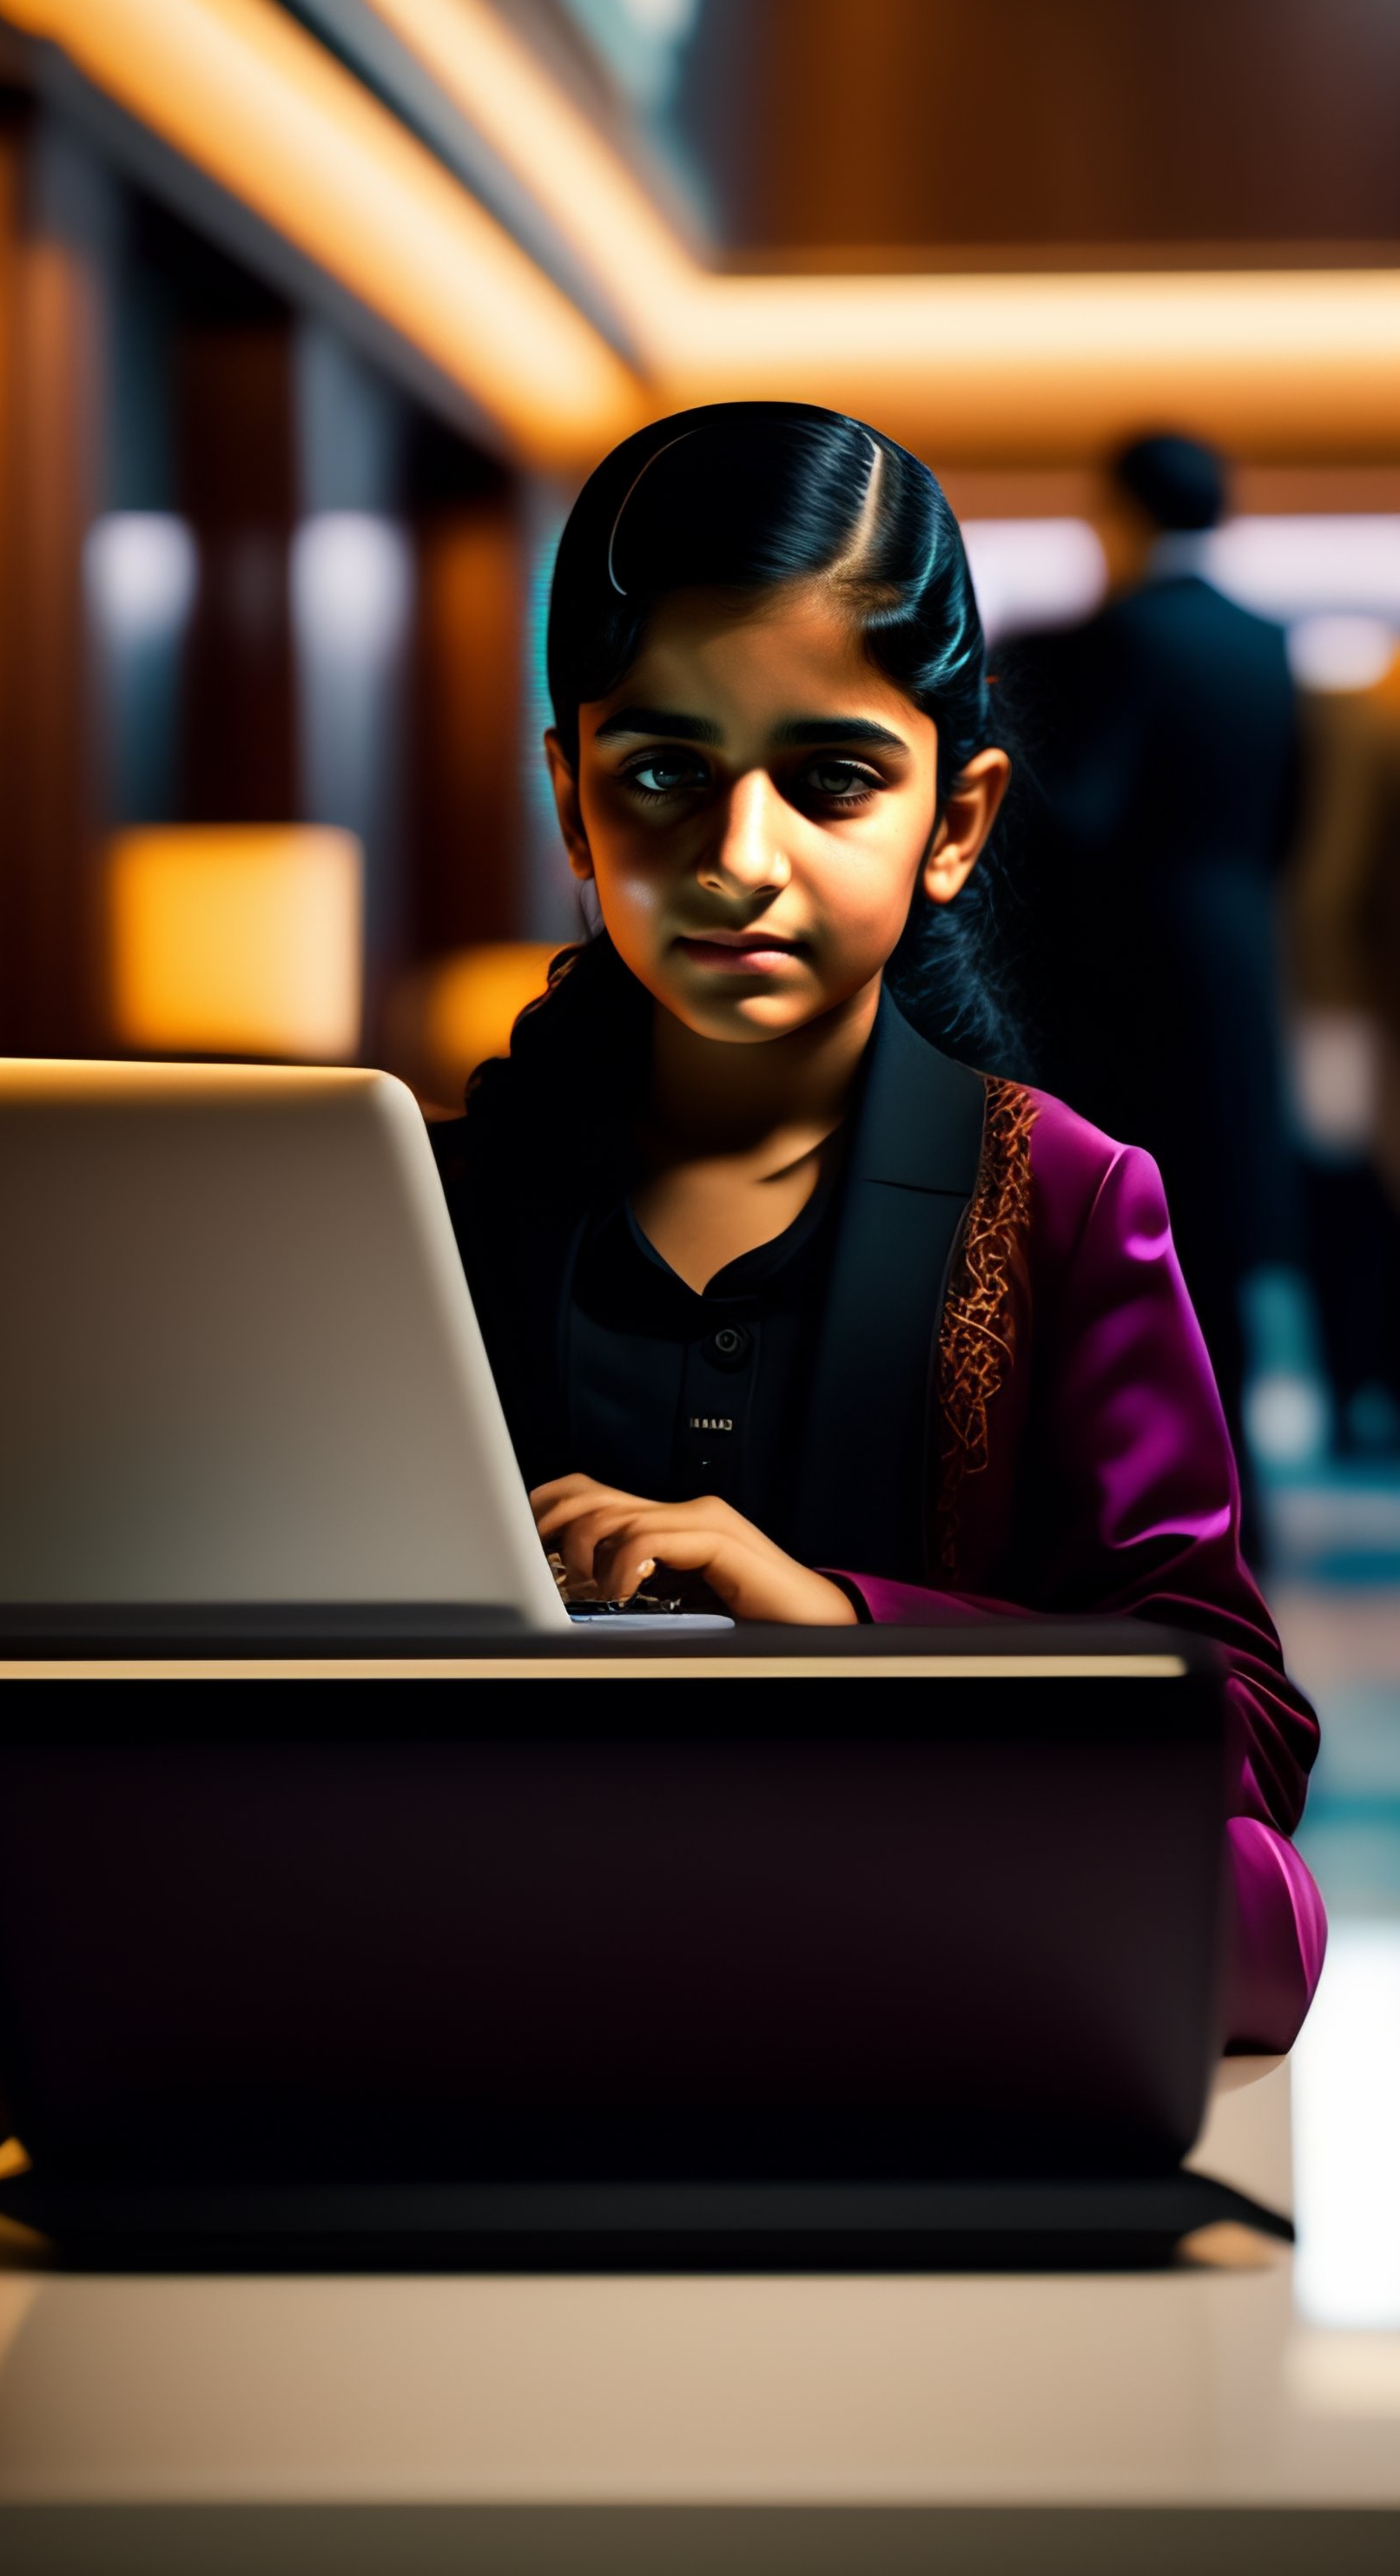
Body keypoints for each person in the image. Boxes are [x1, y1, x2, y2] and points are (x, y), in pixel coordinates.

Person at [431, 402, 1324, 2054]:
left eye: (830, 779)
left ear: (956, 821)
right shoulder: (431, 1207)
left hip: (902, 2001)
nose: (738, 858)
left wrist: (834, 1622)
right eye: (660, 774)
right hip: (510, 1984)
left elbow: (1242, 1738)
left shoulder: (1064, 1200)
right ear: (569, 802)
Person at [1004, 432, 1325, 1515]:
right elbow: (1288, 821)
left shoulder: (1111, 639)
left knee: (1123, 1233)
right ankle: (1243, 1511)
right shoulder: (1265, 644)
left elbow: (1081, 817)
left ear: (1117, 512)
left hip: (1128, 979)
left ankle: (1138, 1508)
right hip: (1238, 962)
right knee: (1223, 1245)